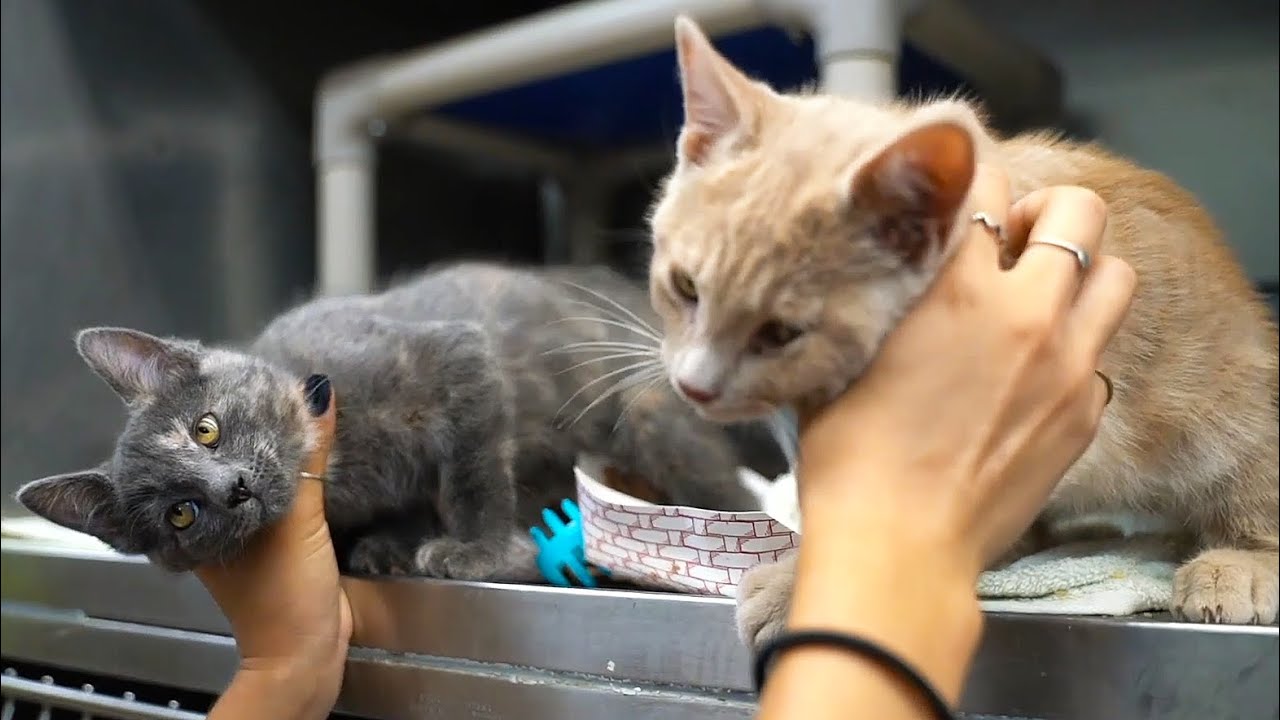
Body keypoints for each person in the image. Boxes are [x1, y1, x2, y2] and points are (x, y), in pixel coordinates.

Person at [198, 164, 1136, 720]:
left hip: (559, 410)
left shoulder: (330, 376)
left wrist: (280, 669)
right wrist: (906, 551)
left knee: (658, 420)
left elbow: (459, 365)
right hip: (566, 462)